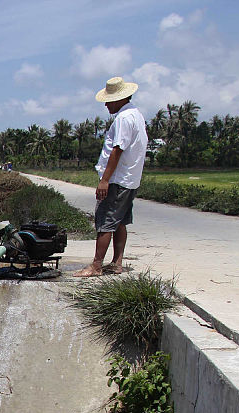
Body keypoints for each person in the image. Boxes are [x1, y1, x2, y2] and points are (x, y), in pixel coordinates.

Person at [76, 76, 148, 278]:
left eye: (109, 100)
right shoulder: (136, 115)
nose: (106, 104)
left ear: (120, 98)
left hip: (118, 179)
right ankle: (117, 263)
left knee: (105, 222)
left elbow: (117, 150)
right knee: (120, 222)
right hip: (130, 179)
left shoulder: (124, 119)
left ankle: (96, 266)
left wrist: (104, 180)